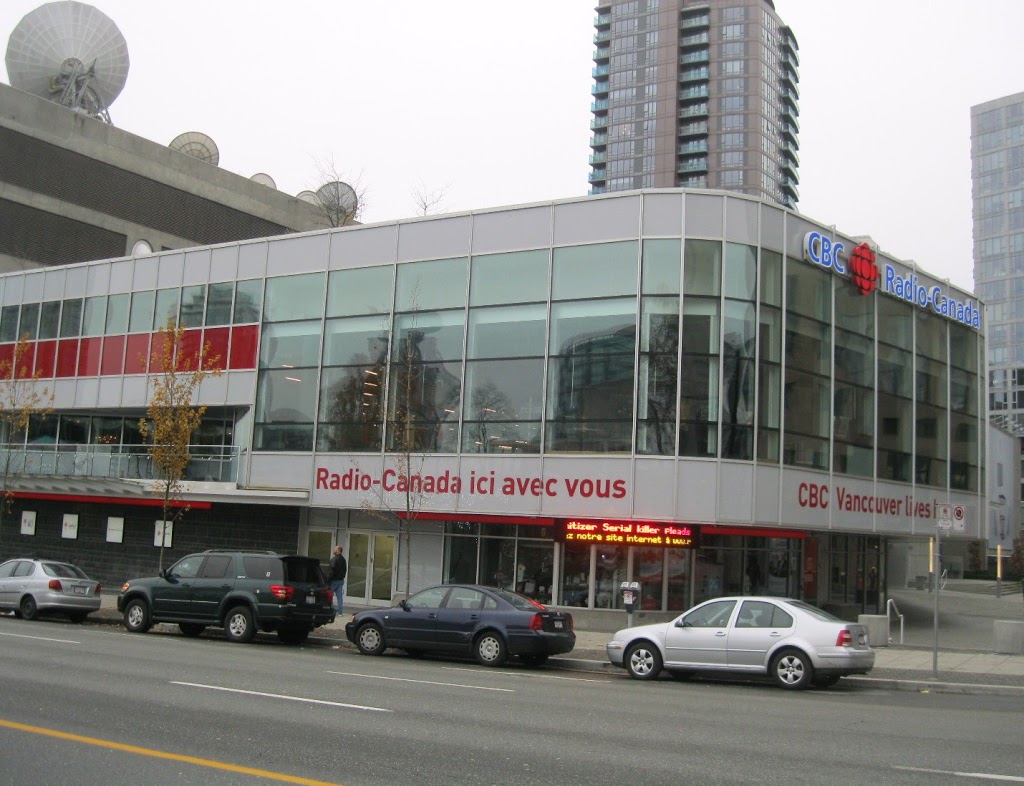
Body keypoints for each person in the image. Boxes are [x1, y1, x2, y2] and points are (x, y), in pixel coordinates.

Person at [328, 545, 347, 615]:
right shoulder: (343, 559)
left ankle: (330, 609)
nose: (334, 550)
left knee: (329, 595)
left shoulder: (334, 559)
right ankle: (340, 611)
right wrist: (343, 576)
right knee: (339, 597)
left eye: (335, 549)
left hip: (334, 580)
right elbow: (345, 569)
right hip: (340, 580)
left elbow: (332, 569)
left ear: (338, 550)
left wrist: (328, 578)